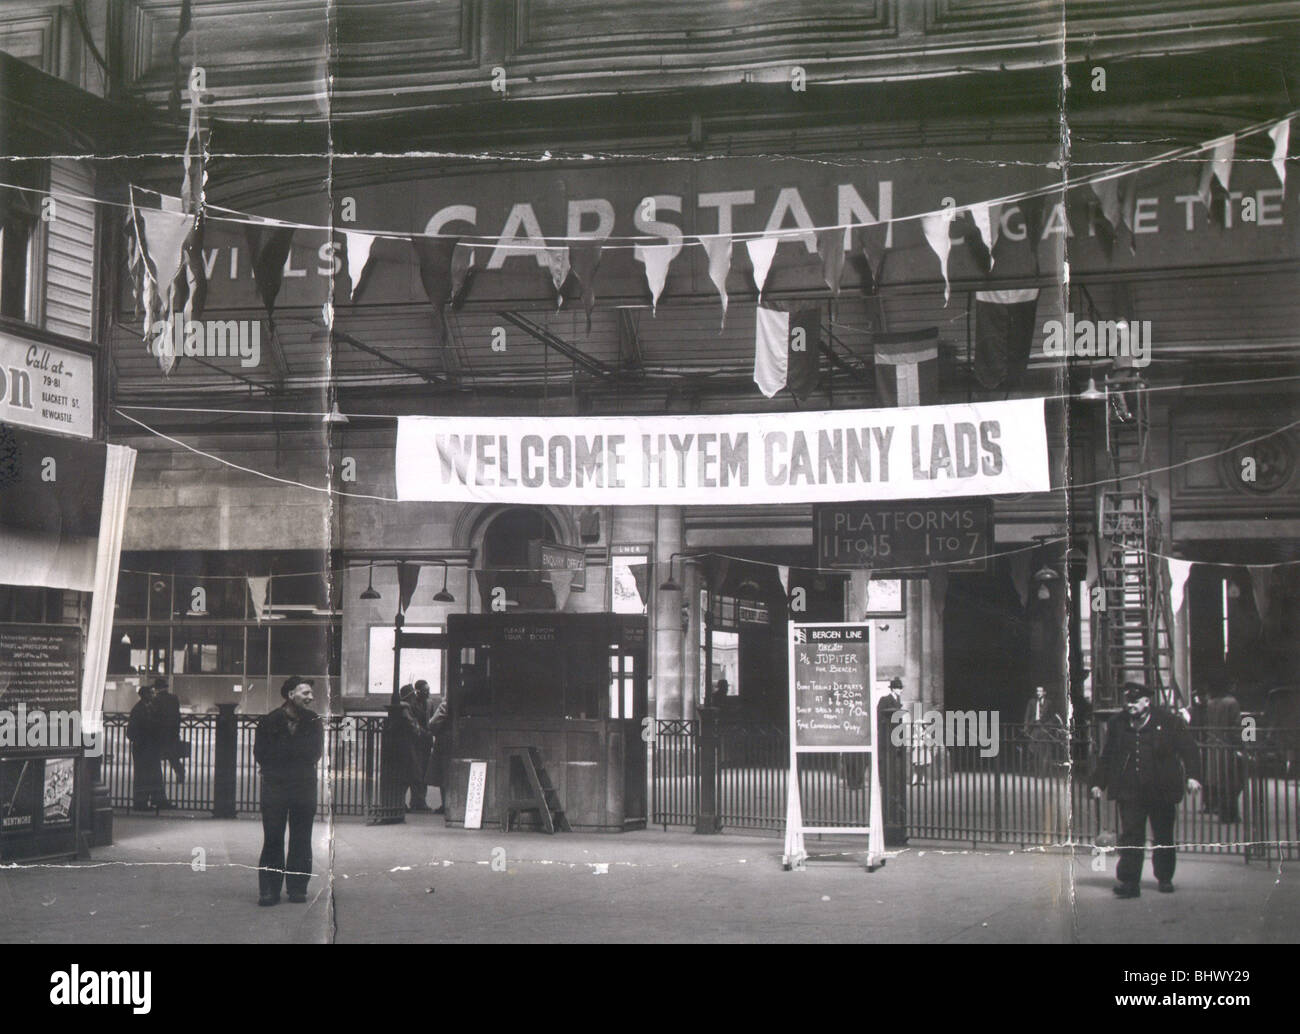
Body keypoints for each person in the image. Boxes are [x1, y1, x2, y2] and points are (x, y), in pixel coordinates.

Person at [1090, 682, 1202, 897]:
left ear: (1147, 701)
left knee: (1163, 836)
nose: (1130, 705)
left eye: (1134, 701)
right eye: (1127, 701)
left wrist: (1193, 777)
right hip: (1130, 790)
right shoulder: (1117, 723)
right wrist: (1098, 782)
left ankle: (1165, 877)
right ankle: (1129, 882)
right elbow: (1108, 755)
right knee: (1131, 836)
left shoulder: (1169, 721)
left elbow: (1189, 749)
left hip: (1161, 789)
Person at [255, 676, 324, 906]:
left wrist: (282, 757)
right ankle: (269, 890)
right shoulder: (269, 721)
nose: (310, 697)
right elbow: (260, 753)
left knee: (301, 838)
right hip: (276, 786)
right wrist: (292, 757)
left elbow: (314, 753)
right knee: (273, 837)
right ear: (291, 694)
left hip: (302, 787)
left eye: (311, 693)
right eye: (305, 693)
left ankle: (297, 888)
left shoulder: (314, 721)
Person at [1204, 682, 1243, 823]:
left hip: (1213, 746)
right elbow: (1237, 725)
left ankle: (1223, 813)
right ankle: (1232, 813)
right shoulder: (1232, 702)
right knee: (1233, 780)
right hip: (1228, 746)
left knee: (1219, 782)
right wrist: (1241, 744)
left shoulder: (1210, 703)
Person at [126, 683, 169, 810]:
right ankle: (146, 802)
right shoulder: (140, 710)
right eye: (150, 693)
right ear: (144, 695)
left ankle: (148, 800)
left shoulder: (144, 708)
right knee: (147, 775)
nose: (153, 695)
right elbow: (132, 731)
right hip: (144, 747)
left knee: (149, 774)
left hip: (146, 747)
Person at [398, 683, 431, 811]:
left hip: (416, 744)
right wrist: (423, 732)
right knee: (411, 774)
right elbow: (413, 725)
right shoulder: (405, 708)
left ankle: (416, 802)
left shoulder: (422, 704)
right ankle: (405, 803)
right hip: (410, 745)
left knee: (416, 774)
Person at [151, 678, 185, 786]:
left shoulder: (155, 700)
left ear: (156, 689)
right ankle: (180, 772)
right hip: (172, 731)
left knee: (155, 755)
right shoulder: (174, 698)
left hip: (159, 732)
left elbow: (154, 715)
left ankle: (155, 777)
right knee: (173, 756)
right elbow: (177, 715)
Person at [427, 695, 450, 815]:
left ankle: (445, 804)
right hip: (458, 742)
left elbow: (432, 723)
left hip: (444, 743)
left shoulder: (445, 705)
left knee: (443, 774)